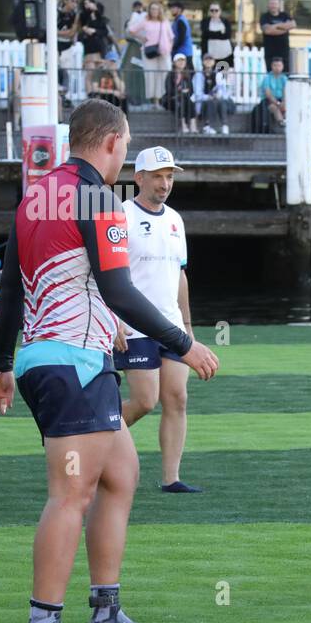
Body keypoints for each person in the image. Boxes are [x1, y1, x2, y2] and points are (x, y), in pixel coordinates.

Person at [0, 99, 220, 623]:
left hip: (48, 361)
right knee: (71, 494)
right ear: (112, 143)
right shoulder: (99, 200)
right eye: (127, 145)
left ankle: (106, 612)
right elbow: (119, 289)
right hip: (76, 366)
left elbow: (13, 290)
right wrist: (184, 343)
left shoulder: (34, 197)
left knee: (122, 473)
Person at [112, 146, 201, 493]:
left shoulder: (176, 219)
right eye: (158, 176)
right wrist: (113, 317)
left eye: (169, 177)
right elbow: (106, 273)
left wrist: (188, 327)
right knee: (145, 400)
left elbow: (179, 275)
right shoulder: (120, 215)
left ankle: (171, 479)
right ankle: (86, 437)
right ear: (139, 178)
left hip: (172, 326)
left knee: (177, 398)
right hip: (134, 325)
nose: (165, 184)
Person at [130, 2, 173, 107]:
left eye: (156, 9)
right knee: (150, 75)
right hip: (150, 51)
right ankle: (154, 101)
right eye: (152, 9)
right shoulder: (145, 21)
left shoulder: (165, 22)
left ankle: (162, 98)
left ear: (160, 10)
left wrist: (169, 48)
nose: (154, 11)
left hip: (164, 52)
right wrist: (142, 38)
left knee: (165, 74)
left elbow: (171, 36)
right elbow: (132, 30)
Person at [77, 0, 112, 95]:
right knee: (90, 72)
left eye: (89, 2)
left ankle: (96, 92)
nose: (87, 4)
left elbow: (104, 31)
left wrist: (95, 31)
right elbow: (83, 26)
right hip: (89, 47)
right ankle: (89, 93)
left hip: (99, 48)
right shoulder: (84, 15)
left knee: (98, 72)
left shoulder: (99, 16)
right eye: (85, 3)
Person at [192, 54, 233, 135]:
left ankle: (224, 125)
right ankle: (207, 126)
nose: (208, 62)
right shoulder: (199, 75)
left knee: (221, 101)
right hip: (202, 102)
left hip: (217, 101)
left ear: (214, 62)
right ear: (203, 62)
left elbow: (223, 90)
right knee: (210, 102)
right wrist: (209, 97)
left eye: (210, 60)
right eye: (206, 60)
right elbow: (198, 94)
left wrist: (218, 95)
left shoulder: (218, 74)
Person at [162, 53, 197, 133]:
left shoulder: (187, 75)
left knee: (190, 102)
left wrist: (184, 92)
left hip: (184, 98)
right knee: (181, 101)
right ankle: (183, 125)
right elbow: (169, 90)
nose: (181, 62)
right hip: (172, 99)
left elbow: (191, 90)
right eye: (179, 60)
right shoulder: (170, 74)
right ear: (174, 62)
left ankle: (193, 124)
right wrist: (181, 91)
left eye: (183, 60)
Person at [260, 0, 295, 74]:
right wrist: (283, 28)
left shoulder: (285, 15)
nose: (273, 6)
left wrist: (274, 26)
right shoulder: (264, 17)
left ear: (279, 5)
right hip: (270, 51)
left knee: (285, 74)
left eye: (275, 4)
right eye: (271, 4)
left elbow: (293, 25)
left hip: (284, 51)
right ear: (268, 5)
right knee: (270, 74)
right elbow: (267, 30)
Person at [199, 3, 235, 71]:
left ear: (220, 11)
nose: (214, 12)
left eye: (216, 10)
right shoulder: (205, 22)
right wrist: (220, 32)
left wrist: (212, 34)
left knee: (225, 74)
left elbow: (227, 35)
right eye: (212, 10)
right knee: (211, 73)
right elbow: (206, 34)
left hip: (226, 54)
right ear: (209, 11)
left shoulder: (226, 22)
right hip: (210, 54)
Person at [257, 56, 288, 132]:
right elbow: (268, 94)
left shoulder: (284, 78)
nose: (277, 68)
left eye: (279, 65)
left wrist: (283, 102)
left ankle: (287, 121)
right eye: (275, 65)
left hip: (281, 99)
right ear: (271, 66)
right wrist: (278, 103)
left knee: (288, 107)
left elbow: (286, 91)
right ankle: (282, 122)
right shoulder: (267, 78)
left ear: (282, 67)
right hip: (268, 100)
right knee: (274, 107)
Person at [169, 0, 193, 70]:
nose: (171, 9)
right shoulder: (178, 20)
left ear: (179, 9)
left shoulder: (180, 21)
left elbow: (181, 38)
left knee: (186, 75)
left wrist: (173, 47)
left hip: (183, 53)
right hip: (182, 51)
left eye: (173, 8)